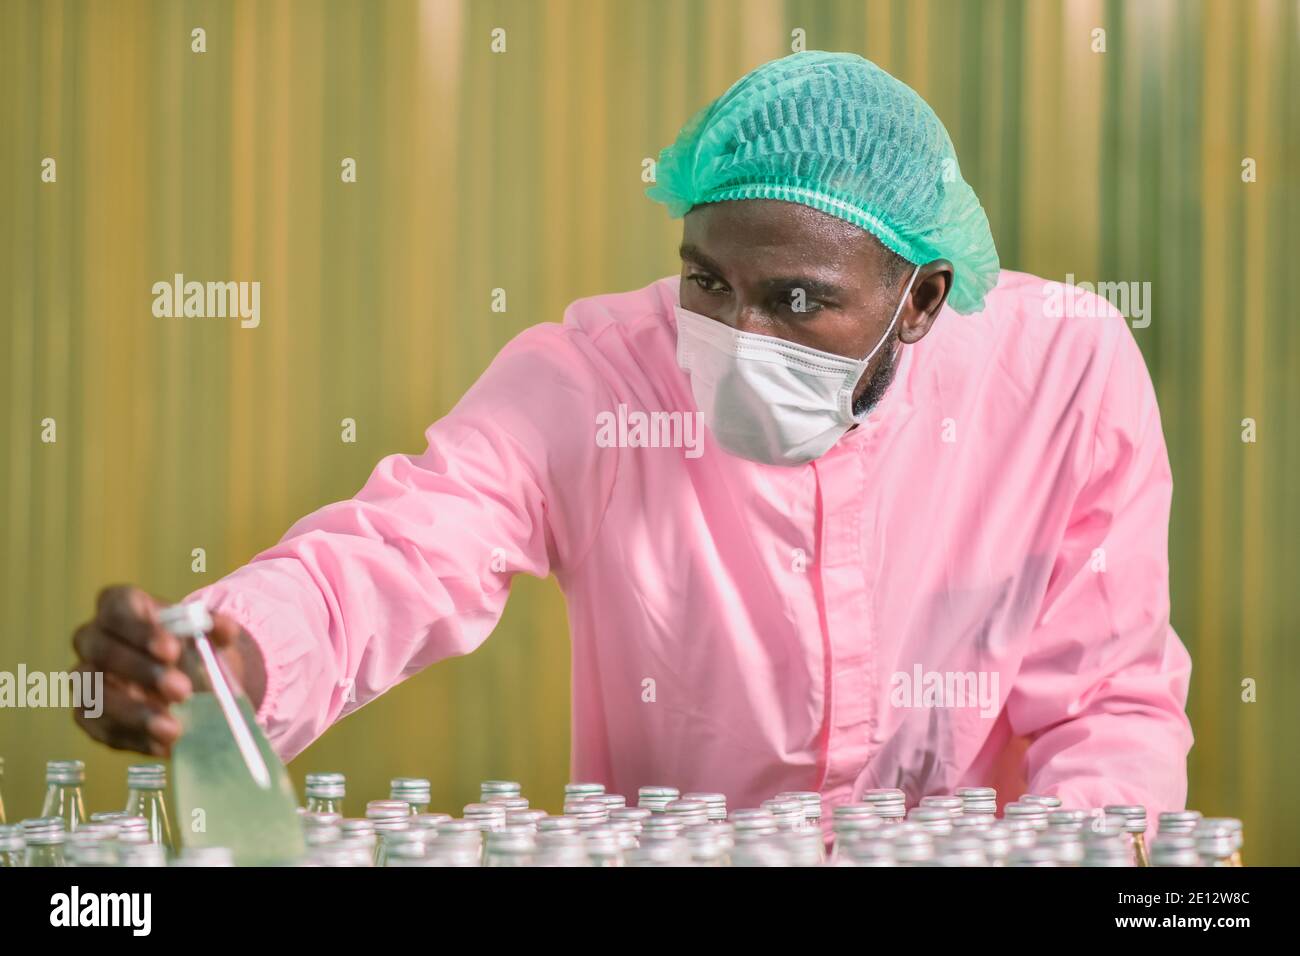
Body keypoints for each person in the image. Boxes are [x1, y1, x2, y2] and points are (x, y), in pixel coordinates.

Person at [69, 51, 1192, 830]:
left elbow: (1106, 703)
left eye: (796, 302)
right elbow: (404, 546)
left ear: (922, 297)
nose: (736, 336)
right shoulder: (593, 378)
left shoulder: (1060, 374)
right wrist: (234, 659)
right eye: (706, 280)